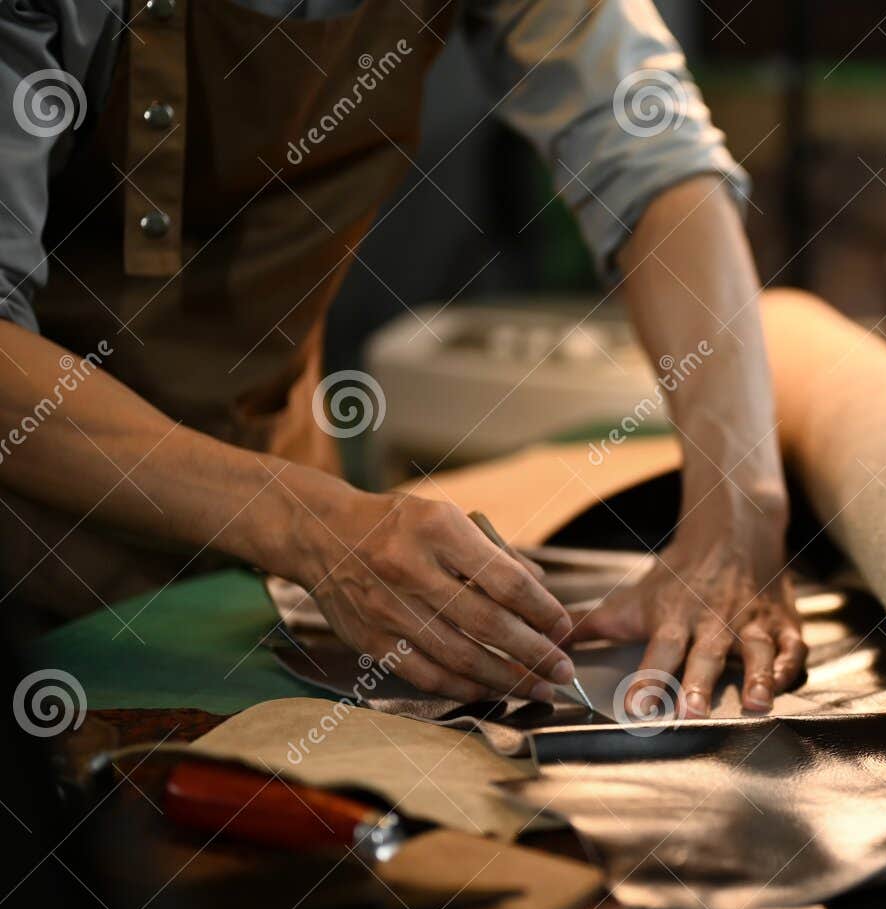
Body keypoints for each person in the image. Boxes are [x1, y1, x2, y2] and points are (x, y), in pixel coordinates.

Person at [0, 0, 804, 716]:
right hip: (35, 540)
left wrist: (740, 512)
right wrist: (306, 525)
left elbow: (654, 152)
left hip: (270, 526)